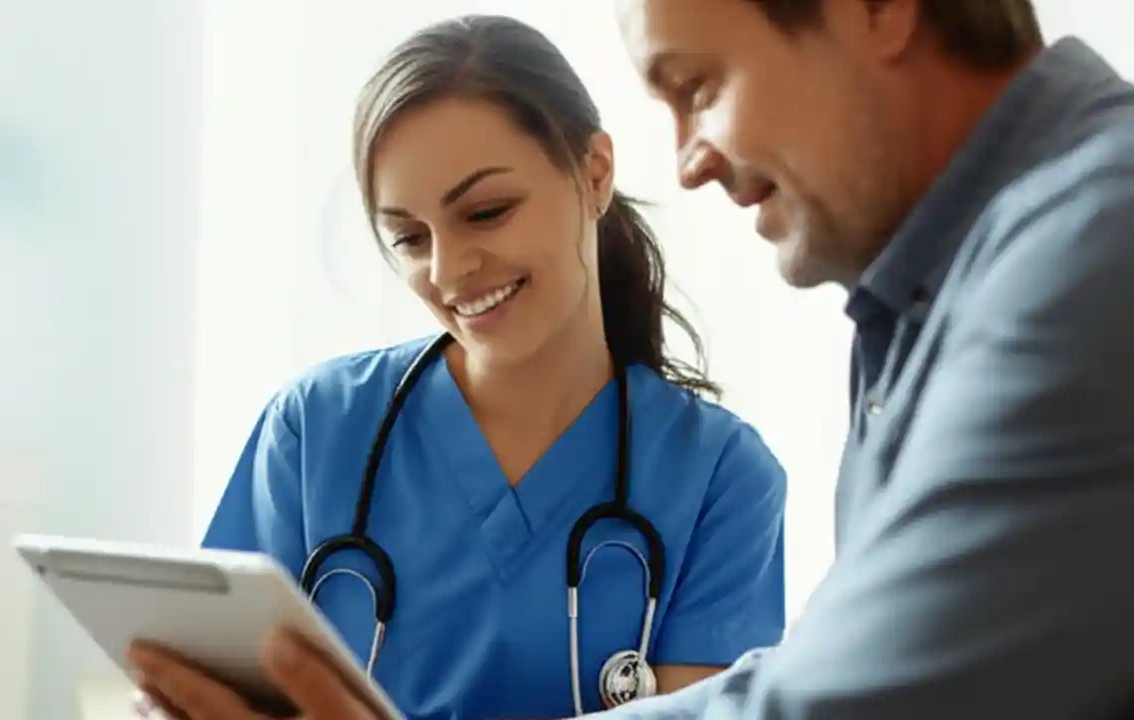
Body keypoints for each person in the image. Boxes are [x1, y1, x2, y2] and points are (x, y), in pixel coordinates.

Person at [244, 0, 1134, 718]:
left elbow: (844, 700)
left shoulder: (1094, 256)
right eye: (406, 235)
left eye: (700, 85)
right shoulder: (928, 301)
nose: (689, 160)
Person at [125, 13, 789, 720]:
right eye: (409, 238)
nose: (449, 271)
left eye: (487, 211)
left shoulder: (720, 476)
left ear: (594, 175)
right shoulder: (316, 431)